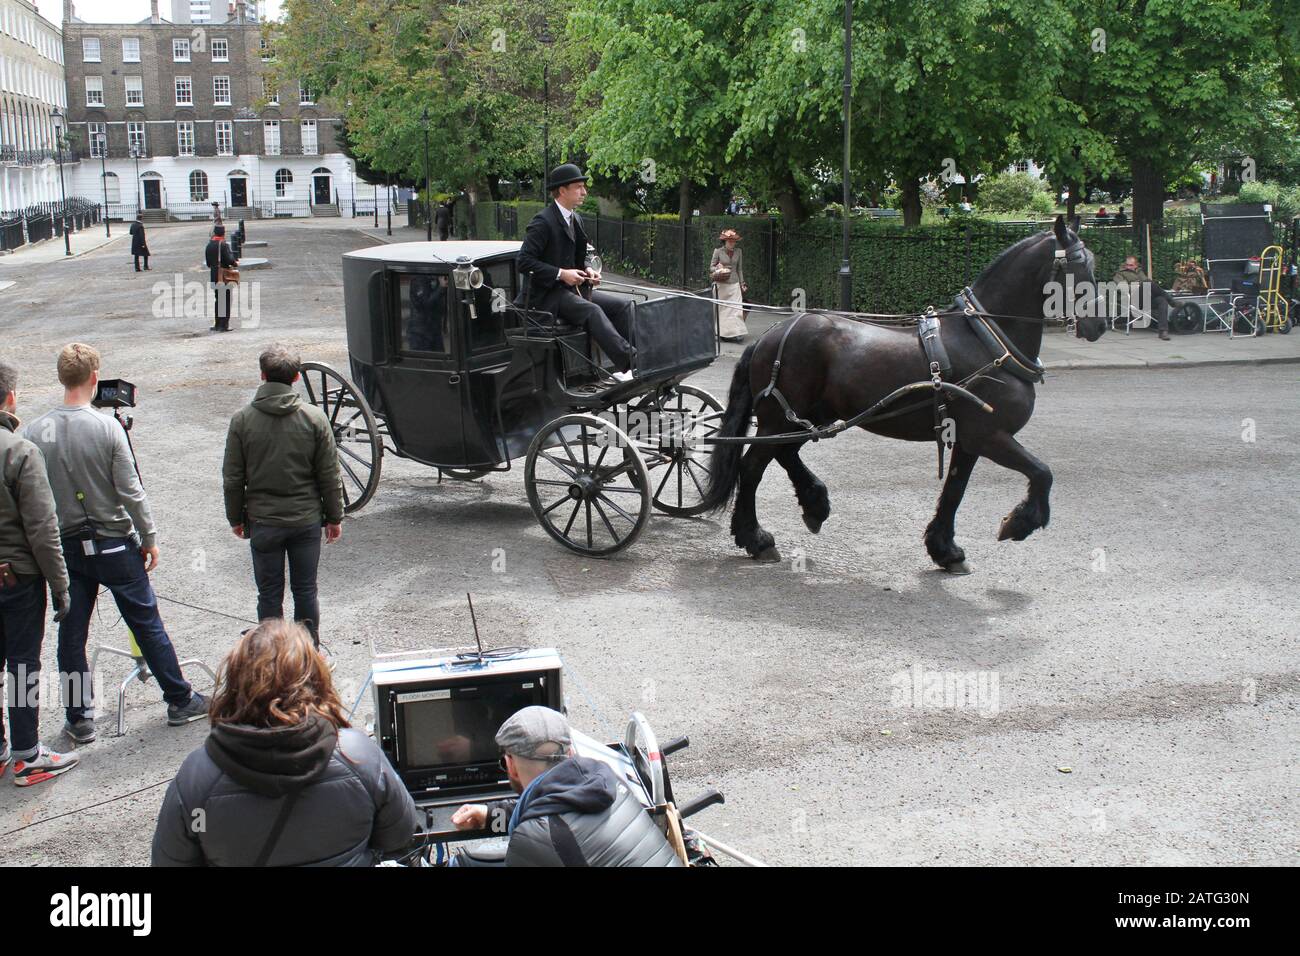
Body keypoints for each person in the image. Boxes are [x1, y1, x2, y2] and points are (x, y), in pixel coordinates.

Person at [23, 343, 207, 743]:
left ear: (61, 378)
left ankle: (79, 717)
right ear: (94, 378)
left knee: (72, 634)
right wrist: (150, 537)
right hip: (113, 542)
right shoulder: (108, 428)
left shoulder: (34, 432)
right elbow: (130, 491)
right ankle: (179, 698)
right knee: (146, 622)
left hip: (66, 547)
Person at [151, 620, 420, 866]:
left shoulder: (197, 776)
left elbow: (170, 861)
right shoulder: (358, 756)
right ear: (315, 679)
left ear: (235, 683)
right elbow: (401, 836)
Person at [451, 706, 683, 867]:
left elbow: (546, 827)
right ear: (570, 752)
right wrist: (491, 815)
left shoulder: (535, 839)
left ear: (510, 765)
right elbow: (553, 809)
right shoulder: (605, 780)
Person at [223, 345, 344, 647]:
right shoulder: (315, 418)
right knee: (306, 591)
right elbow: (329, 473)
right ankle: (308, 654)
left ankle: (269, 657)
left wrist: (235, 517)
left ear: (262, 375)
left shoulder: (242, 420)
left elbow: (233, 477)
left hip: (264, 520)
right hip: (305, 520)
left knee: (268, 594)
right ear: (296, 379)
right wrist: (334, 516)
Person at [0, 361, 79, 786]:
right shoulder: (19, 451)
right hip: (16, 580)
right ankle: (27, 755)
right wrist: (61, 586)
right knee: (23, 667)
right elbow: (43, 529)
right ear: (11, 397)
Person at [515, 163, 636, 382]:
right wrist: (561, 273)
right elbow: (524, 262)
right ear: (562, 190)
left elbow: (582, 255)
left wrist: (588, 269)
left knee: (623, 306)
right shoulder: (542, 222)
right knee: (592, 311)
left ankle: (642, 358)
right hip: (545, 297)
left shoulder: (575, 218)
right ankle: (630, 362)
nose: (584, 192)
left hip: (572, 290)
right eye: (579, 187)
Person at [1112, 254, 1175, 340]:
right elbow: (1122, 287)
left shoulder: (1140, 272)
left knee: (1161, 300)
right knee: (1148, 283)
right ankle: (1171, 301)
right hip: (1132, 298)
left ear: (1136, 265)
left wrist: (1144, 285)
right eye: (1127, 264)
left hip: (1145, 297)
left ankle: (1163, 331)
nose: (1128, 266)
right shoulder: (1120, 273)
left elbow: (1147, 284)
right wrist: (1137, 286)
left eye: (1131, 265)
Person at [710, 228, 748, 341]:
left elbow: (739, 269)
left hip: (734, 284)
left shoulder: (739, 251)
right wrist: (717, 267)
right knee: (721, 310)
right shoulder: (718, 251)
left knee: (736, 309)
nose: (732, 244)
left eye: (734, 241)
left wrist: (742, 283)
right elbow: (711, 267)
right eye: (730, 241)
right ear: (724, 242)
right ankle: (719, 332)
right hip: (721, 284)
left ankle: (737, 333)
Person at [205, 225, 237, 333]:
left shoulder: (209, 245)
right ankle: (224, 325)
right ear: (223, 233)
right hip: (223, 276)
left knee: (218, 300)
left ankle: (217, 323)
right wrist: (234, 261)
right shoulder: (223, 245)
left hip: (214, 275)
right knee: (226, 300)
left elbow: (208, 263)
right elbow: (229, 260)